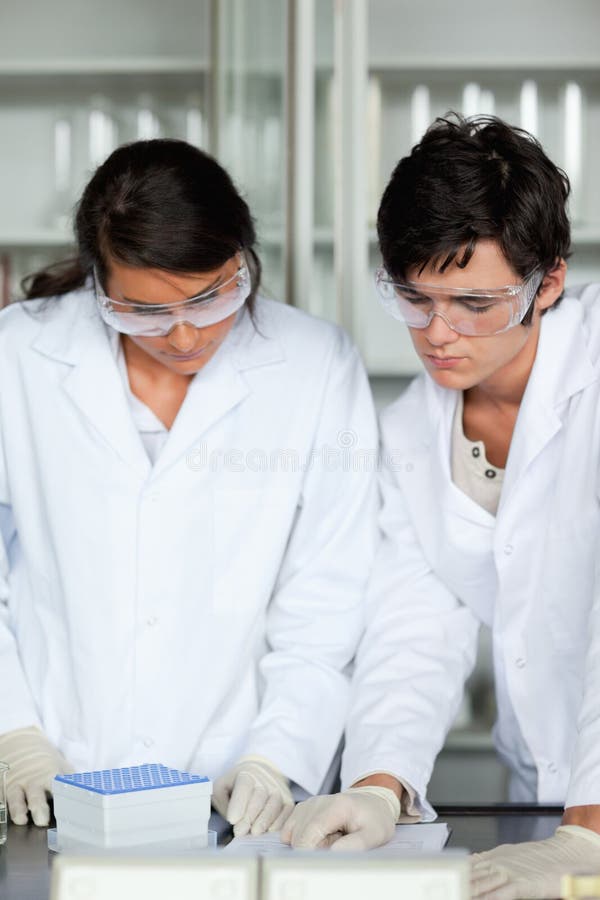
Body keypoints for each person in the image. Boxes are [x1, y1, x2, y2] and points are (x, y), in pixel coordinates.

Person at [0, 139, 378, 837]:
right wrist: (13, 733)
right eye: (142, 312)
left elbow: (329, 594)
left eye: (210, 298)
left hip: (238, 795)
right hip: (53, 784)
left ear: (242, 257)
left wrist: (275, 757)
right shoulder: (18, 355)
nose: (182, 336)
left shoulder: (315, 365)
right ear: (99, 286)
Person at [281, 115, 600, 897]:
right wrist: (379, 785)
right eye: (414, 298)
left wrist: (590, 829)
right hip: (543, 802)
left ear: (547, 283)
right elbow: (415, 626)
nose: (438, 334)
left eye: (474, 303)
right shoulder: (409, 433)